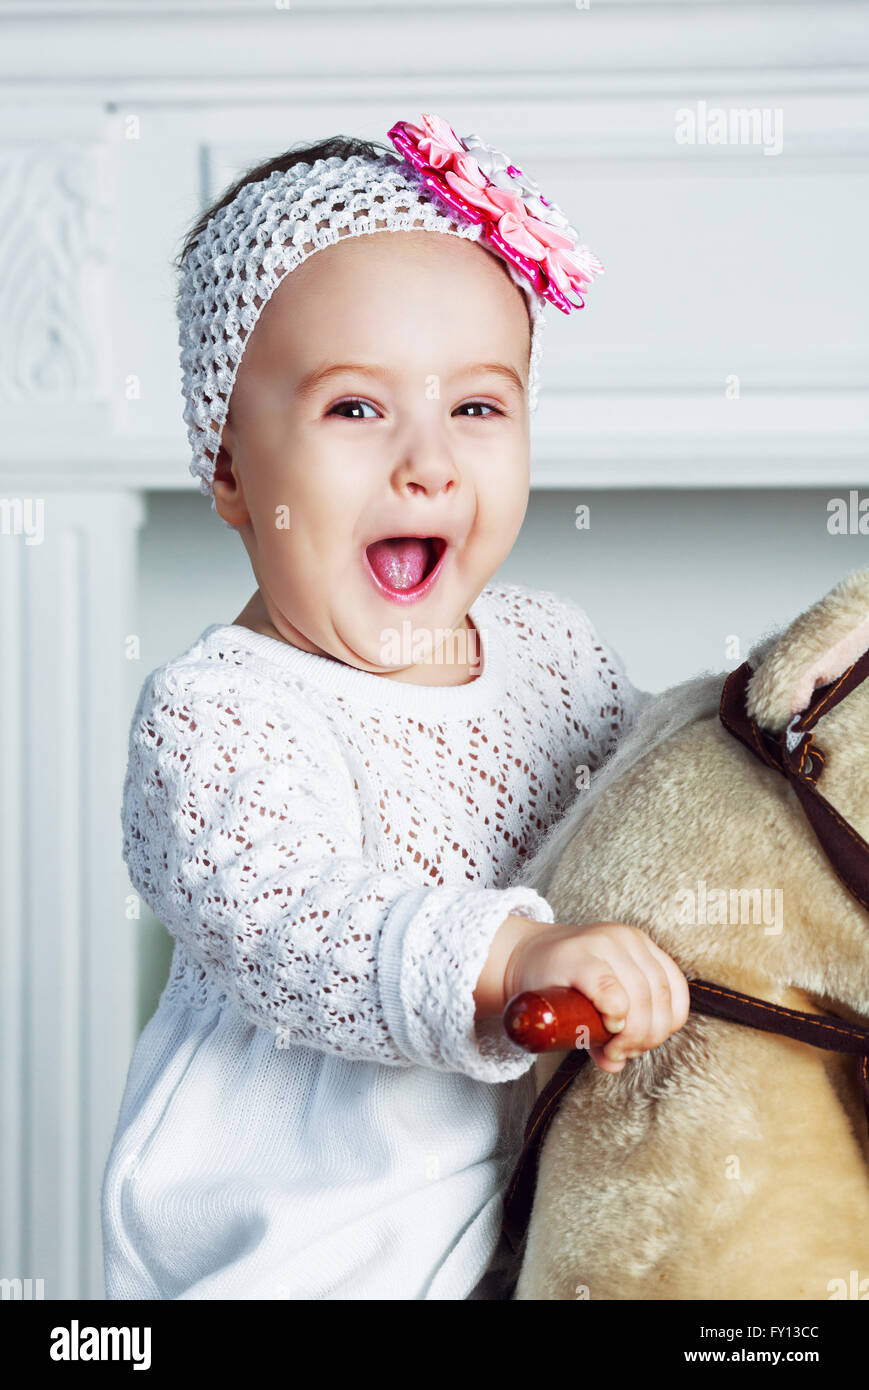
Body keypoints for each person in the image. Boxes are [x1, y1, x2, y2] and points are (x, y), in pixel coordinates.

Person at [100, 113, 690, 1301]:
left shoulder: (550, 653)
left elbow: (660, 803)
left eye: (475, 409)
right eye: (355, 410)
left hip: (526, 1210)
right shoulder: (216, 713)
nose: (427, 463)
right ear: (227, 468)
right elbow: (292, 927)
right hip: (306, 1243)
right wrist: (513, 952)